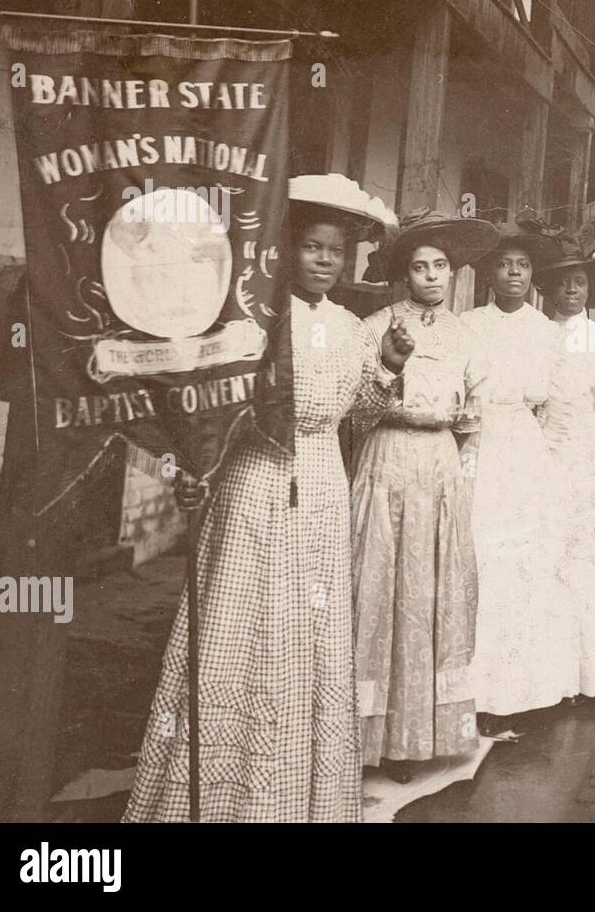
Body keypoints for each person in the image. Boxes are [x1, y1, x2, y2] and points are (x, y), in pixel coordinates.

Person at [124, 174, 405, 822]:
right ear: (288, 248)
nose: (325, 260)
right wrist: (196, 465)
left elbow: (359, 412)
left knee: (308, 631)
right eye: (312, 247)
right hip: (255, 479)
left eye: (335, 250)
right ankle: (224, 797)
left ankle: (299, 799)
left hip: (323, 483)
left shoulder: (352, 327)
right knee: (242, 621)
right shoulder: (254, 318)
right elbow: (209, 406)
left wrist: (388, 366)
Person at [350, 208, 499, 780]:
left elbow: (475, 418)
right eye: (419, 267)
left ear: (453, 272)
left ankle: (419, 735)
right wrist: (390, 368)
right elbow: (359, 406)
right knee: (379, 586)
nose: (432, 277)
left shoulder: (466, 337)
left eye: (440, 266)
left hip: (439, 465)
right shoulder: (376, 328)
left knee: (429, 592)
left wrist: (462, 479)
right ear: (403, 274)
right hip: (388, 457)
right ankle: (371, 733)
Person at [463, 216, 580, 717]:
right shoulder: (468, 325)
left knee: (529, 561)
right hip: (480, 447)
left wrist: (548, 462)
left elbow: (560, 406)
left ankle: (529, 689)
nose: (514, 274)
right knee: (480, 554)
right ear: (489, 274)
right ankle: (477, 691)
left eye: (523, 265)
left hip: (526, 451)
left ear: (534, 274)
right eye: (504, 265)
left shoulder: (547, 333)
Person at [536, 230, 595, 699]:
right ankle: (551, 677)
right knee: (549, 557)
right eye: (562, 283)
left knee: (589, 561)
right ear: (547, 290)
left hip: (590, 455)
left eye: (579, 283)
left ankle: (590, 674)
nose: (571, 291)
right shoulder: (538, 334)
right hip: (546, 453)